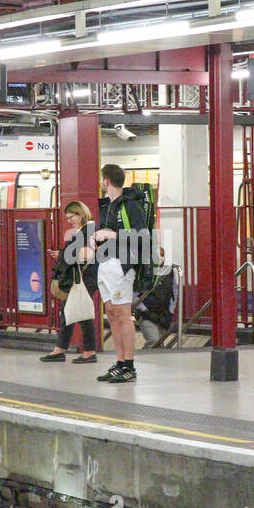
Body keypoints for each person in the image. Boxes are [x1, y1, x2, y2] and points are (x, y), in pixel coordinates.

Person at [93, 164, 151, 384]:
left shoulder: (131, 205)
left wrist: (112, 235)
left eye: (101, 179)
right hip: (105, 264)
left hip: (122, 265)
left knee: (123, 313)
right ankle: (119, 363)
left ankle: (129, 365)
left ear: (106, 180)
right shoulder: (108, 206)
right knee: (111, 312)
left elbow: (141, 236)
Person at [41, 201, 99, 364]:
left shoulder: (90, 230)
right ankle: (63, 349)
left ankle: (87, 351)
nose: (69, 221)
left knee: (81, 311)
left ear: (80, 213)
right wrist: (62, 253)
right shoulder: (84, 230)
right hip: (80, 275)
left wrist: (64, 255)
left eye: (71, 217)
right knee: (70, 310)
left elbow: (86, 254)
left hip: (85, 276)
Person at [134, 249, 177, 348]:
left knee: (159, 344)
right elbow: (134, 295)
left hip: (163, 314)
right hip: (145, 314)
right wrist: (144, 310)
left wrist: (171, 310)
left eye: (162, 255)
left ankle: (145, 358)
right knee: (154, 341)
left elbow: (174, 291)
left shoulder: (170, 272)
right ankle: (139, 359)